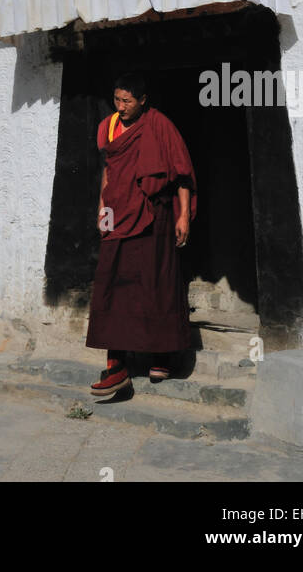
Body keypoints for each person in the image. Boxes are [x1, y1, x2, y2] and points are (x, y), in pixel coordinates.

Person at [86, 68, 196, 400]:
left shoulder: (159, 125)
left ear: (143, 100)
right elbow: (109, 172)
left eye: (128, 101)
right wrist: (102, 208)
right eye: (117, 99)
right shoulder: (109, 127)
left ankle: (161, 355)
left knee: (155, 282)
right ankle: (116, 362)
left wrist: (183, 217)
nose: (121, 106)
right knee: (112, 283)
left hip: (155, 215)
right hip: (118, 213)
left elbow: (181, 174)